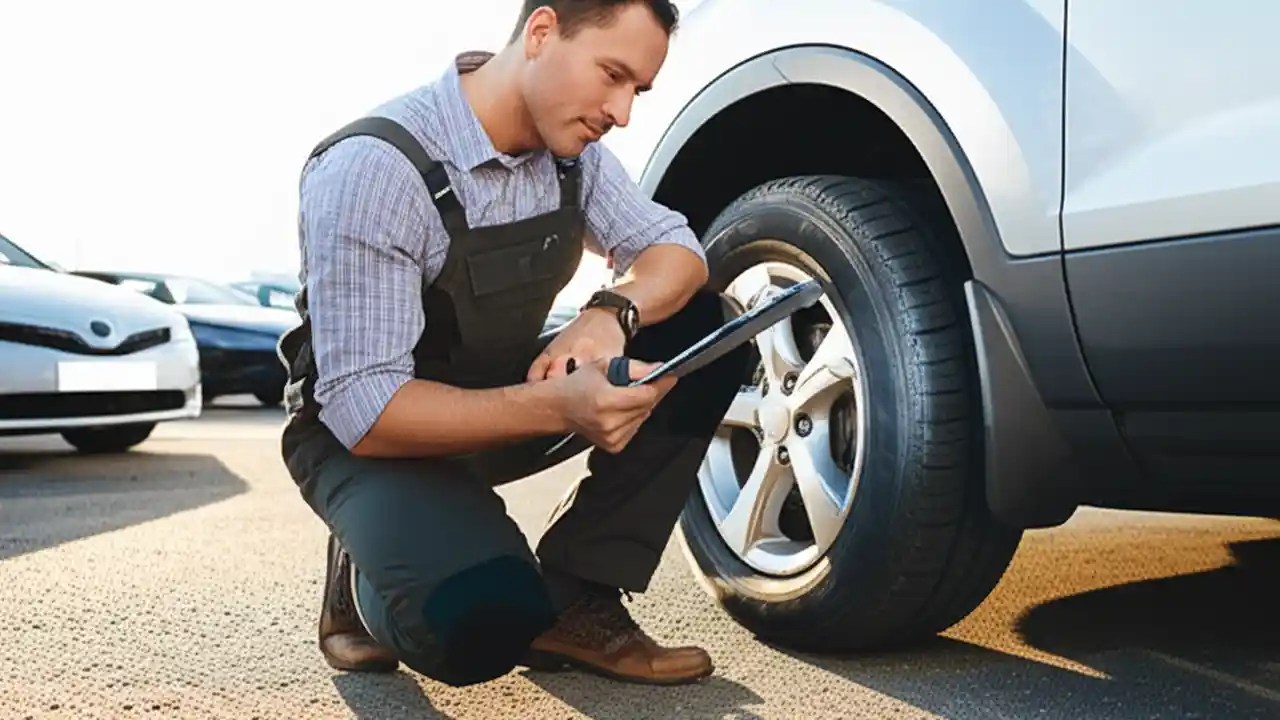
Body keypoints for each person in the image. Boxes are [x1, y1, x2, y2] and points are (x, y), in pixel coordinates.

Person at [278, 0, 751, 688]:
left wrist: (610, 313)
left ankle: (578, 596)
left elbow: (679, 252)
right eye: (612, 75)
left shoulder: (575, 161)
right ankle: (363, 570)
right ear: (541, 33)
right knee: (483, 623)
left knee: (704, 330)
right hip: (367, 437)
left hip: (497, 394)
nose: (621, 112)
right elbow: (365, 410)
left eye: (637, 91)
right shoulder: (376, 169)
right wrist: (562, 406)